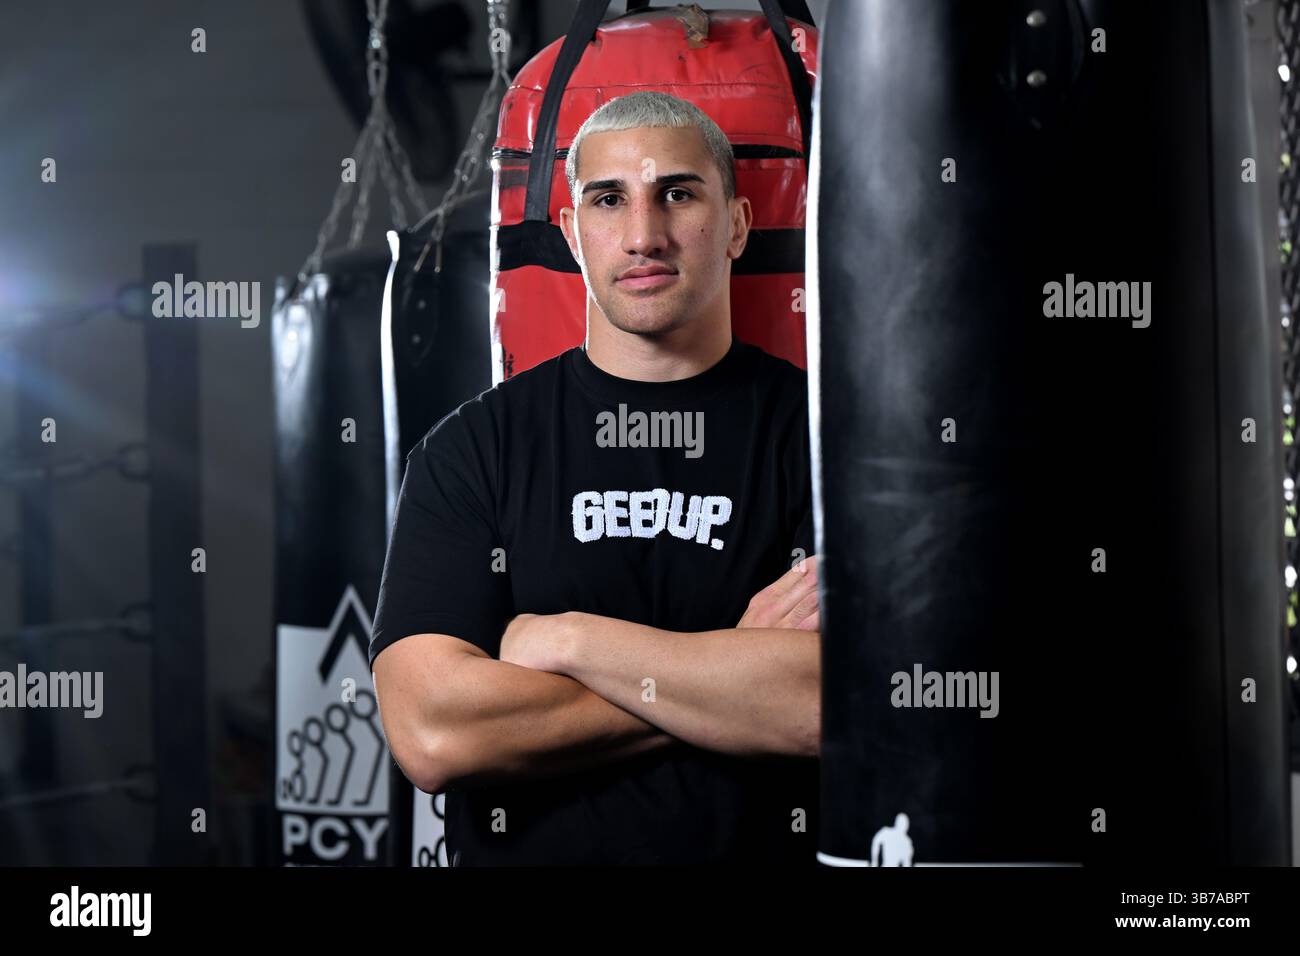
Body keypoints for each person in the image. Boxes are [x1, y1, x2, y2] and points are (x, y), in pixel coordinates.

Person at [370, 90, 821, 865]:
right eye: (608, 200)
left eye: (678, 194)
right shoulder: (473, 450)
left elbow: (820, 704)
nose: (644, 235)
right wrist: (729, 670)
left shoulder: (822, 440)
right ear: (575, 234)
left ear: (739, 226)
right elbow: (435, 733)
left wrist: (567, 639)